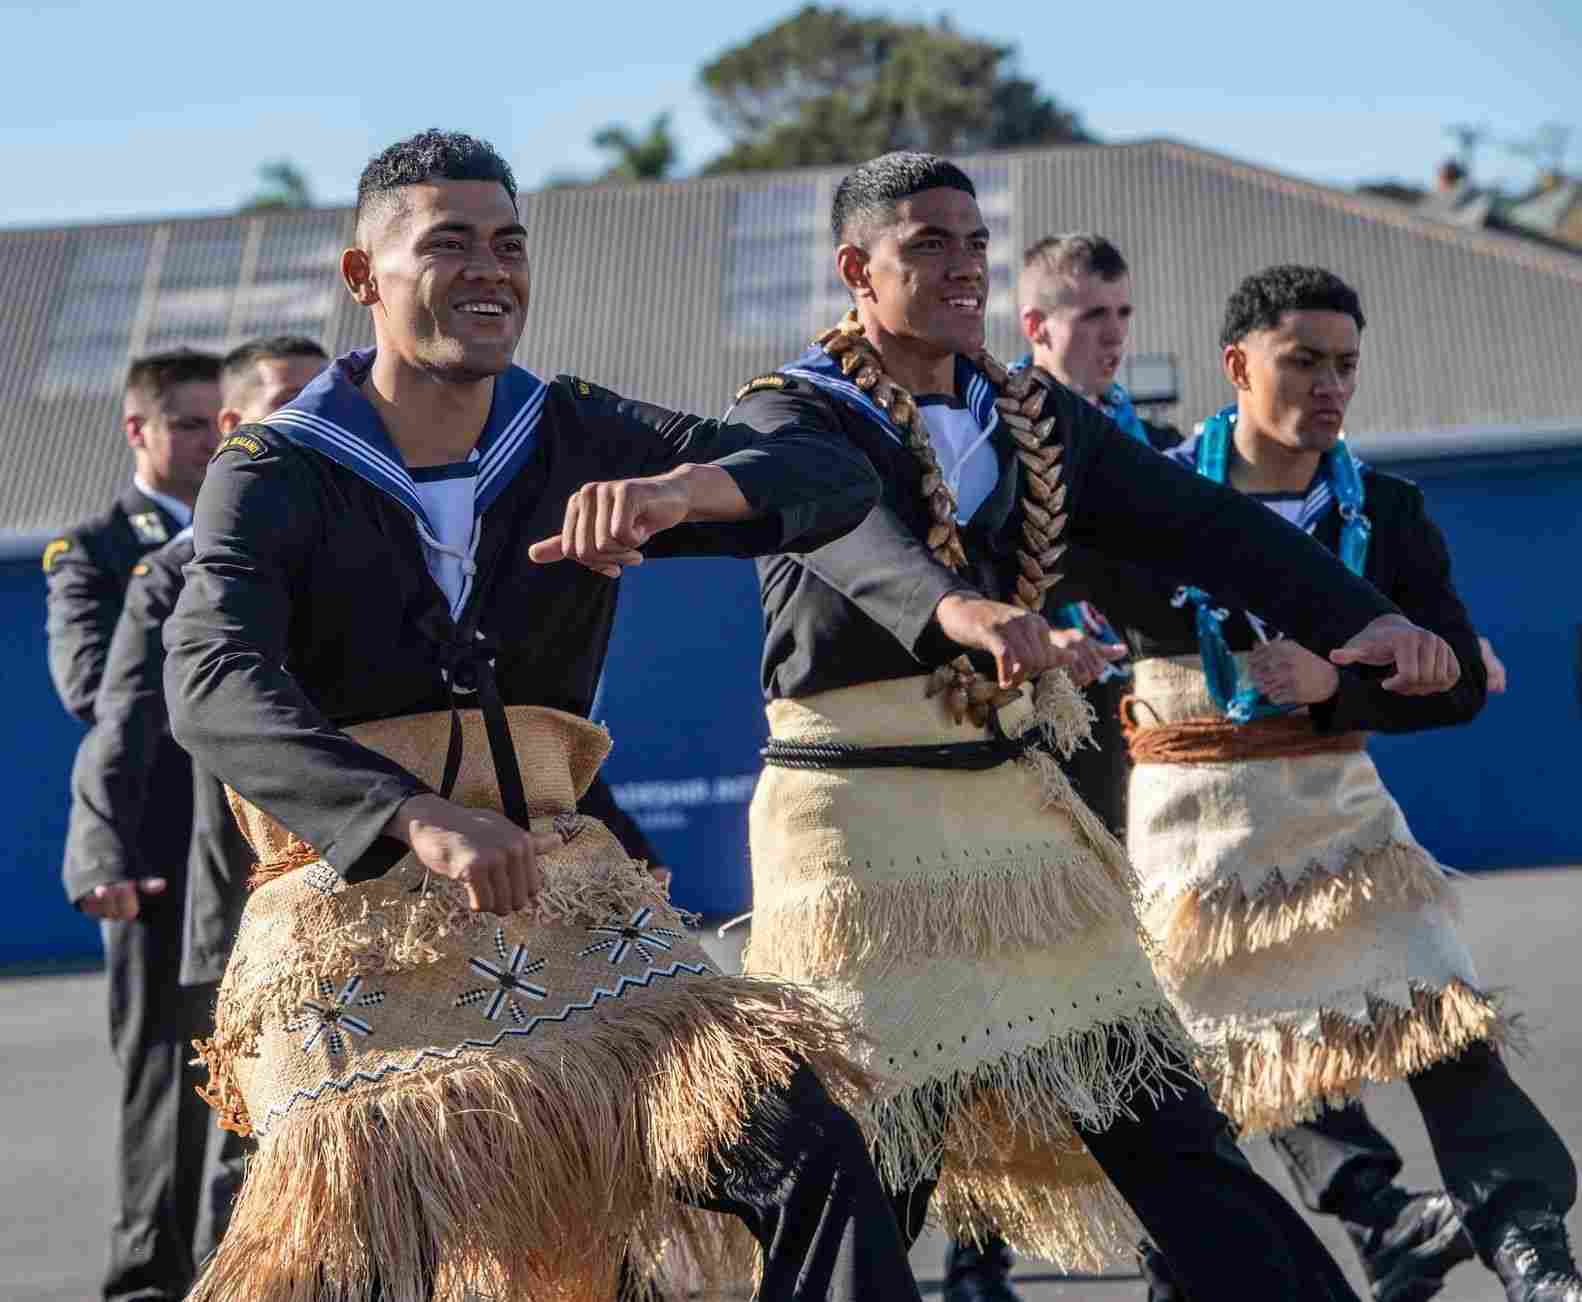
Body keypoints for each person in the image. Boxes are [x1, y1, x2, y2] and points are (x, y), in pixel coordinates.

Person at [163, 128, 921, 1302]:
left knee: (806, 1146)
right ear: (364, 276)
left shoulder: (570, 429)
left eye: (508, 244)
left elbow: (836, 479)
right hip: (356, 921)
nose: (489, 270)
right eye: (449, 243)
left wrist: (676, 493)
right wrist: (412, 815)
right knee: (365, 1257)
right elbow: (209, 677)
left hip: (565, 901)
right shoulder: (274, 468)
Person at [728, 151, 1465, 1302]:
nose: (962, 266)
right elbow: (849, 538)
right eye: (927, 244)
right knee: (876, 1162)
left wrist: (1362, 618)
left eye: (974, 243)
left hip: (1014, 818)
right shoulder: (790, 411)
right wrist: (956, 609)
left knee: (1165, 1123)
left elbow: (1201, 522)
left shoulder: (1029, 415)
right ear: (855, 270)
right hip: (856, 824)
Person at [1092, 266, 1579, 1302]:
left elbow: (1455, 685)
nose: (1330, 386)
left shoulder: (1387, 511)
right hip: (1194, 828)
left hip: (1336, 808)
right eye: (1303, 361)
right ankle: (1264, 1251)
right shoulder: (1151, 499)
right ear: (1237, 365)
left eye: (1346, 365)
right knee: (1217, 1068)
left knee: (1441, 1015)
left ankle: (1531, 1249)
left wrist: (1334, 686)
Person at [47, 347, 222, 1302]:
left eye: (221, 423)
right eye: (189, 423)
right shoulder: (95, 550)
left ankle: (257, 1271)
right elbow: (89, 686)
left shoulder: (275, 516)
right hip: (160, 851)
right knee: (168, 1080)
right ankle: (148, 1285)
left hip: (270, 840)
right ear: (137, 430)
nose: (209, 443)